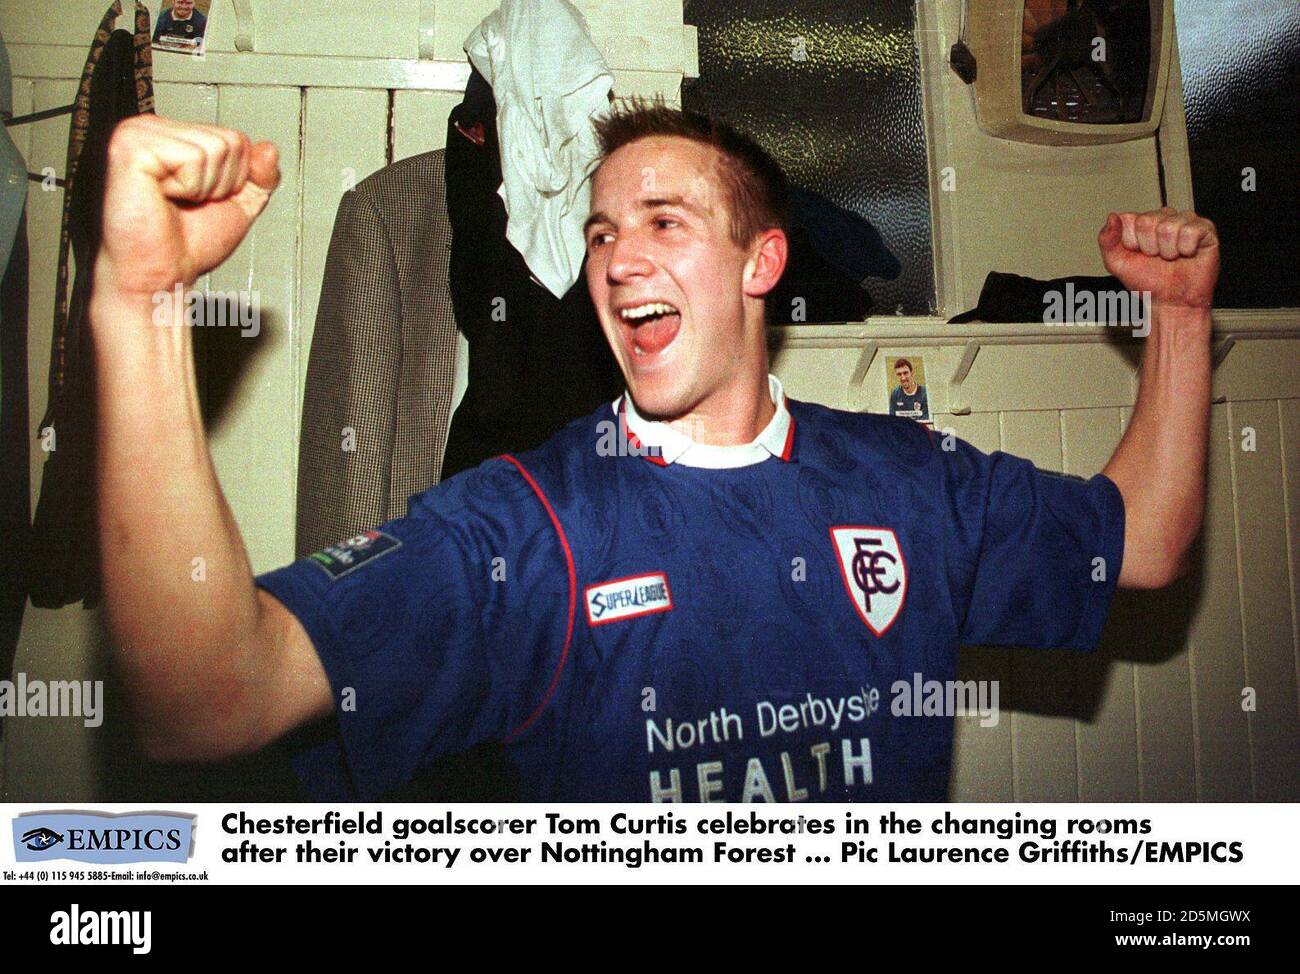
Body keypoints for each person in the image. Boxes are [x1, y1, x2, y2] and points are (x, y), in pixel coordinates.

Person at [90, 100, 1217, 801]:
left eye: (664, 221)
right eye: (600, 233)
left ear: (760, 262)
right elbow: (205, 695)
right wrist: (140, 306)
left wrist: (1176, 316)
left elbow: (1143, 545)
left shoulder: (909, 479)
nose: (619, 258)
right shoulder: (525, 526)